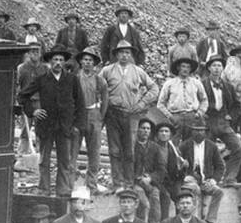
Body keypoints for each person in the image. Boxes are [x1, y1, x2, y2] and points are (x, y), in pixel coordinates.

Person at [18, 46, 84, 197]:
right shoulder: (41, 79)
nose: (58, 63)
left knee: (64, 160)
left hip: (65, 126)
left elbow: (80, 103)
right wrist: (33, 111)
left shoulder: (72, 80)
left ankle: (63, 189)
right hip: (46, 125)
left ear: (64, 62)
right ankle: (44, 189)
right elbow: (23, 96)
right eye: (55, 60)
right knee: (44, 160)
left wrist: (77, 125)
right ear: (49, 62)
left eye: (61, 60)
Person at [102, 41, 155, 189]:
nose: (124, 55)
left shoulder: (138, 71)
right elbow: (96, 86)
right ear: (116, 54)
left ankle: (129, 182)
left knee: (130, 150)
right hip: (112, 114)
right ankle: (117, 183)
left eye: (127, 53)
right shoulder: (107, 70)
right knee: (114, 150)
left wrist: (141, 104)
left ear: (131, 55)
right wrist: (102, 104)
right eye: (121, 52)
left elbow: (154, 88)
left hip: (131, 115)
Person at [201, 57, 241, 182]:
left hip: (223, 122)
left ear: (222, 68)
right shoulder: (202, 84)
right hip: (207, 122)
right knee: (207, 150)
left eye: (219, 66)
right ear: (209, 68)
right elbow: (195, 101)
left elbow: (237, 105)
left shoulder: (228, 86)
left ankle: (230, 177)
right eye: (214, 65)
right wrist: (202, 114)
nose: (216, 68)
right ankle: (208, 178)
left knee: (239, 148)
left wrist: (231, 116)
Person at [72, 47, 108, 191]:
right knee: (73, 151)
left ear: (94, 64)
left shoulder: (100, 80)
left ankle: (91, 184)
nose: (87, 63)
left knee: (94, 151)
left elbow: (105, 100)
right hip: (78, 115)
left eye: (90, 60)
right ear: (81, 62)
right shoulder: (74, 78)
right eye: (85, 60)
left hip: (94, 114)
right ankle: (72, 182)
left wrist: (101, 117)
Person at [135, 119, 182, 223]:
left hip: (155, 182)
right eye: (143, 128)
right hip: (136, 182)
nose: (146, 131)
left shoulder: (156, 147)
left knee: (159, 196)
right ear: (137, 130)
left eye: (148, 129)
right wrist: (138, 178)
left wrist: (150, 178)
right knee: (145, 203)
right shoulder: (132, 145)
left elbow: (161, 169)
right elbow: (127, 167)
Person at [180, 117, 226, 223]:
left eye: (201, 130)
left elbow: (220, 166)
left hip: (206, 180)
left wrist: (213, 180)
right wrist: (184, 170)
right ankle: (195, 221)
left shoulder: (212, 146)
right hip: (190, 180)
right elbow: (177, 166)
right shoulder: (184, 146)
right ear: (192, 131)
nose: (199, 133)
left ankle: (210, 221)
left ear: (205, 132)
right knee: (195, 189)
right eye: (196, 130)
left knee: (218, 192)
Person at [157, 56, 207, 140]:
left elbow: (204, 100)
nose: (185, 69)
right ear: (178, 68)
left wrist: (199, 113)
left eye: (188, 67)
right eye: (183, 66)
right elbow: (160, 104)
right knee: (174, 142)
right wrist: (169, 116)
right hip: (175, 117)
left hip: (192, 117)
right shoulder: (169, 83)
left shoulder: (196, 83)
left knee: (190, 143)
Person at [15, 42, 43, 155]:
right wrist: (18, 101)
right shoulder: (22, 68)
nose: (35, 53)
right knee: (25, 130)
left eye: (37, 51)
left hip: (40, 102)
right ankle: (22, 155)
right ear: (28, 53)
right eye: (32, 51)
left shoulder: (44, 68)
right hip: (27, 103)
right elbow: (17, 85)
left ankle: (40, 154)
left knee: (41, 130)